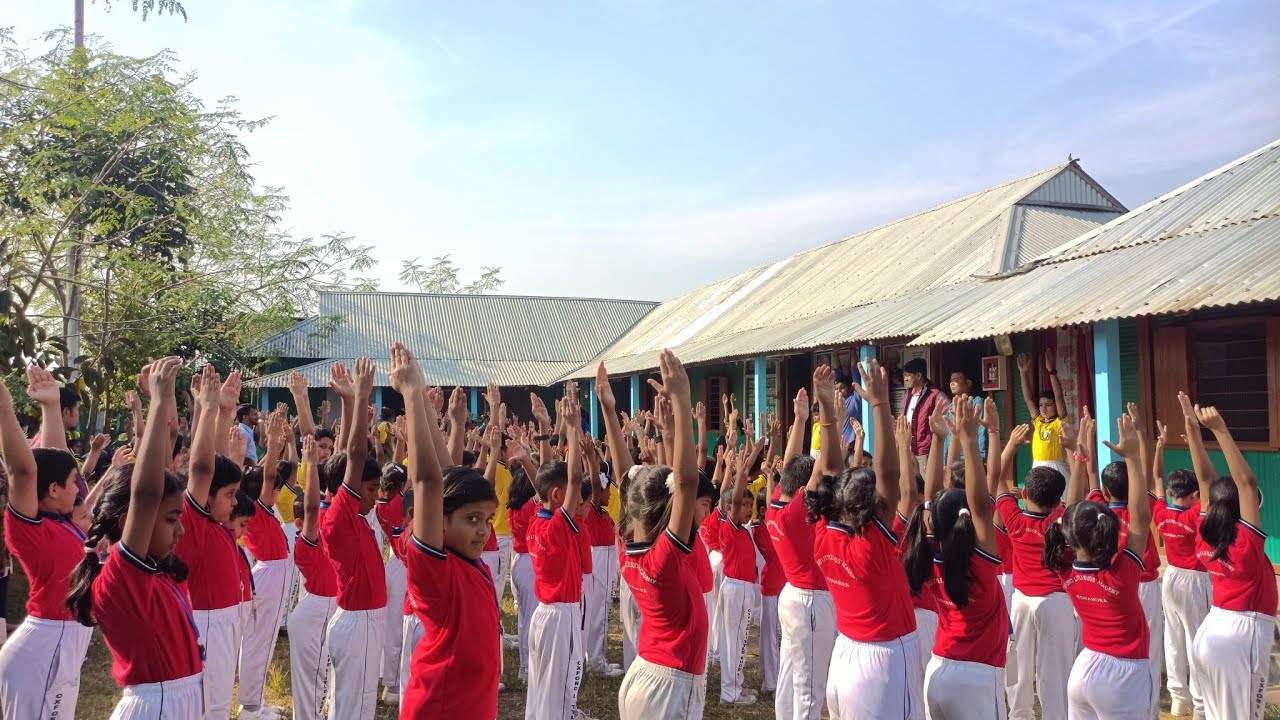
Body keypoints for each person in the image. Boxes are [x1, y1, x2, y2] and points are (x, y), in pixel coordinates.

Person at [66, 356, 205, 718]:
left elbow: (156, 480)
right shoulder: (121, 577)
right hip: (156, 706)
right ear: (130, 521)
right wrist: (157, 401)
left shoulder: (156, 571)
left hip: (177, 699)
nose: (181, 529)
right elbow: (146, 494)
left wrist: (165, 401)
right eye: (173, 519)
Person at [390, 342, 502, 720]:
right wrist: (410, 394)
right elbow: (428, 482)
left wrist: (426, 404)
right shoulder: (435, 570)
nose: (483, 532)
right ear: (438, 520)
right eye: (472, 520)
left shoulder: (468, 561)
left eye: (487, 520)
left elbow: (448, 474)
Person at [806, 361, 922, 719]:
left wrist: (827, 410)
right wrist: (880, 403)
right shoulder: (871, 543)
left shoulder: (823, 536)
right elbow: (888, 474)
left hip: (844, 656)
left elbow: (829, 473)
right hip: (884, 660)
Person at [604, 352, 710, 720]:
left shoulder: (628, 549)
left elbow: (623, 477)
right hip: (668, 684)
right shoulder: (664, 559)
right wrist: (681, 401)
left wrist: (608, 408)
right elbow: (686, 482)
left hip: (647, 673)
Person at [901, 396, 1009, 719]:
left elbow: (931, 497)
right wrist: (971, 441)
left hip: (939, 671)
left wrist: (938, 439)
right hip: (977, 678)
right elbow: (981, 503)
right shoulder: (978, 562)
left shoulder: (926, 552)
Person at [1042, 411, 1152, 718]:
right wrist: (1133, 456)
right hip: (1124, 676)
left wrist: (1079, 454)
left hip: (1084, 669)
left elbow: (1071, 509)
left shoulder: (1064, 566)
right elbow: (1141, 518)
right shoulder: (1121, 575)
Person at [0, 367, 92, 718]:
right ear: (53, 490)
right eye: (73, 482)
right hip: (45, 646)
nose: (78, 488)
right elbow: (23, 472)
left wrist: (52, 407)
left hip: (60, 644)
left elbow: (55, 459)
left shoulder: (60, 520)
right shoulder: (30, 529)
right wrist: (5, 406)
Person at [1183, 395, 1276, 720]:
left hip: (1212, 629)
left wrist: (1194, 433)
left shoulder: (1205, 535)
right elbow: (1247, 483)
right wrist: (1219, 430)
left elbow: (1206, 481)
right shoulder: (1244, 543)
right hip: (1242, 635)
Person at [992, 403, 1076, 720]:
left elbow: (997, 478)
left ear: (1023, 492)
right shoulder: (1061, 520)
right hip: (1057, 602)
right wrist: (1073, 453)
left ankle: (1019, 714)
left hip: (1021, 600)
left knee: (1017, 662)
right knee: (1057, 669)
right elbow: (1079, 490)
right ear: (1058, 500)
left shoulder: (1012, 517)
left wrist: (1010, 444)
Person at [176, 365, 249, 718]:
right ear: (205, 497)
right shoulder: (195, 523)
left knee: (219, 701)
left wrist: (226, 410)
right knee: (211, 707)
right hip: (207, 624)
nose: (235, 503)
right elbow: (203, 470)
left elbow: (215, 466)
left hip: (225, 620)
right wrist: (206, 408)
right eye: (231, 495)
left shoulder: (215, 520)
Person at [320, 358, 388, 720]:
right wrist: (361, 395)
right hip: (358, 621)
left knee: (354, 703)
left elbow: (345, 454)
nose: (376, 496)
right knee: (354, 707)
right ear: (345, 487)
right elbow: (356, 456)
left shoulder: (355, 513)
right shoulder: (339, 517)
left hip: (363, 620)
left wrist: (348, 402)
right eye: (371, 488)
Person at [1087, 403, 1162, 719]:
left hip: (1113, 589)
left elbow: (1090, 476)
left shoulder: (1095, 512)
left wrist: (1083, 450)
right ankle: (1151, 708)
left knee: (1115, 648)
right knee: (1151, 651)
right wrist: (1141, 436)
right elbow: (1147, 474)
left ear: (1104, 491)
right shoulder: (1142, 509)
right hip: (1146, 584)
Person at [764, 388, 836, 720]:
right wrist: (827, 416)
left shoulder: (775, 508)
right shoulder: (795, 512)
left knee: (791, 673)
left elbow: (790, 466)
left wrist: (801, 420)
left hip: (792, 595)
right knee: (810, 688)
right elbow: (820, 468)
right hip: (810, 600)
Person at [525, 392, 590, 720]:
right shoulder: (557, 527)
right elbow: (572, 478)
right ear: (557, 495)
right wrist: (574, 429)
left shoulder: (537, 520)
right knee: (559, 684)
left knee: (542, 685)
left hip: (543, 613)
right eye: (570, 493)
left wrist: (546, 428)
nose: (576, 497)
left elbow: (546, 476)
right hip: (560, 615)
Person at [237, 411, 294, 720]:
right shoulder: (258, 506)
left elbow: (272, 477)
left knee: (263, 641)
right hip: (270, 574)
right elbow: (269, 475)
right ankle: (250, 707)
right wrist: (272, 444)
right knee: (259, 641)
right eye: (273, 487)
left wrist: (280, 445)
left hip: (271, 573)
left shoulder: (264, 509)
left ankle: (253, 700)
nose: (277, 490)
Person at [1152, 423, 1211, 718]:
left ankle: (1179, 698)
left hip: (1171, 576)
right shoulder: (1193, 515)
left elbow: (1158, 476)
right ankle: (1200, 703)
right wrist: (1195, 443)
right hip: (1195, 580)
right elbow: (1206, 479)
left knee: (1173, 639)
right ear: (1192, 496)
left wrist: (1160, 446)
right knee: (1195, 640)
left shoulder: (1160, 512)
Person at [289, 434, 338, 720]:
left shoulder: (319, 535)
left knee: (315, 678)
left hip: (317, 609)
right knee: (316, 676)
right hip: (317, 611)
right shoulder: (306, 543)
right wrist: (309, 465)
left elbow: (329, 497)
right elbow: (311, 508)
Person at [717, 435, 764, 706]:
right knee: (734, 641)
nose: (747, 509)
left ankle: (737, 685)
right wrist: (741, 475)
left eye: (749, 505)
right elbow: (734, 501)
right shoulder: (730, 527)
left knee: (740, 639)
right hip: (735, 588)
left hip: (743, 589)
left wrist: (757, 449)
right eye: (742, 505)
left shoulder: (744, 531)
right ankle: (730, 692)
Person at [583, 457, 622, 677]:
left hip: (604, 561)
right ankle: (597, 662)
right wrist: (594, 467)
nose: (609, 495)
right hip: (599, 562)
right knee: (599, 612)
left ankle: (596, 656)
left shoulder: (603, 514)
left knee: (600, 611)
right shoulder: (593, 509)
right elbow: (596, 492)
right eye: (607, 490)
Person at [374, 461, 409, 704]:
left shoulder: (380, 505)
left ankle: (391, 679)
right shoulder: (400, 503)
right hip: (403, 566)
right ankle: (393, 685)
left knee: (392, 628)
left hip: (394, 565)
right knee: (398, 629)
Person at [506, 461, 539, 679]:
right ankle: (527, 667)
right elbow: (542, 488)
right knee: (530, 618)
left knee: (524, 618)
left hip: (519, 562)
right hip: (529, 564)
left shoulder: (513, 508)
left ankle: (524, 666)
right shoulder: (529, 508)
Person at [1017, 351, 1069, 478]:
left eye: (1049, 405)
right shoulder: (1038, 422)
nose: (1043, 409)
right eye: (1041, 405)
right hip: (1037, 467)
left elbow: (1059, 397)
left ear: (1056, 406)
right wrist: (1023, 373)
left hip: (1054, 468)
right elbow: (1028, 399)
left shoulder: (1059, 423)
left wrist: (1051, 370)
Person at [752, 488, 783, 697]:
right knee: (771, 637)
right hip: (772, 587)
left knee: (778, 637)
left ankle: (772, 678)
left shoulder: (774, 527)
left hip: (782, 586)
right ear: (764, 510)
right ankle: (771, 682)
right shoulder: (760, 530)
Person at [901, 358, 944, 470]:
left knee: (927, 486)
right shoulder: (907, 393)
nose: (905, 379)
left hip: (925, 452)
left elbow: (946, 422)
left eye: (908, 375)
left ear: (919, 376)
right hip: (908, 450)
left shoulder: (935, 394)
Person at [941, 371, 987, 461]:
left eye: (956, 380)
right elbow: (947, 436)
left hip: (971, 457)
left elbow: (982, 432)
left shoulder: (977, 403)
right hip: (953, 459)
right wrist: (945, 461)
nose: (952, 383)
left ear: (968, 383)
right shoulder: (950, 407)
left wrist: (981, 458)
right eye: (951, 381)